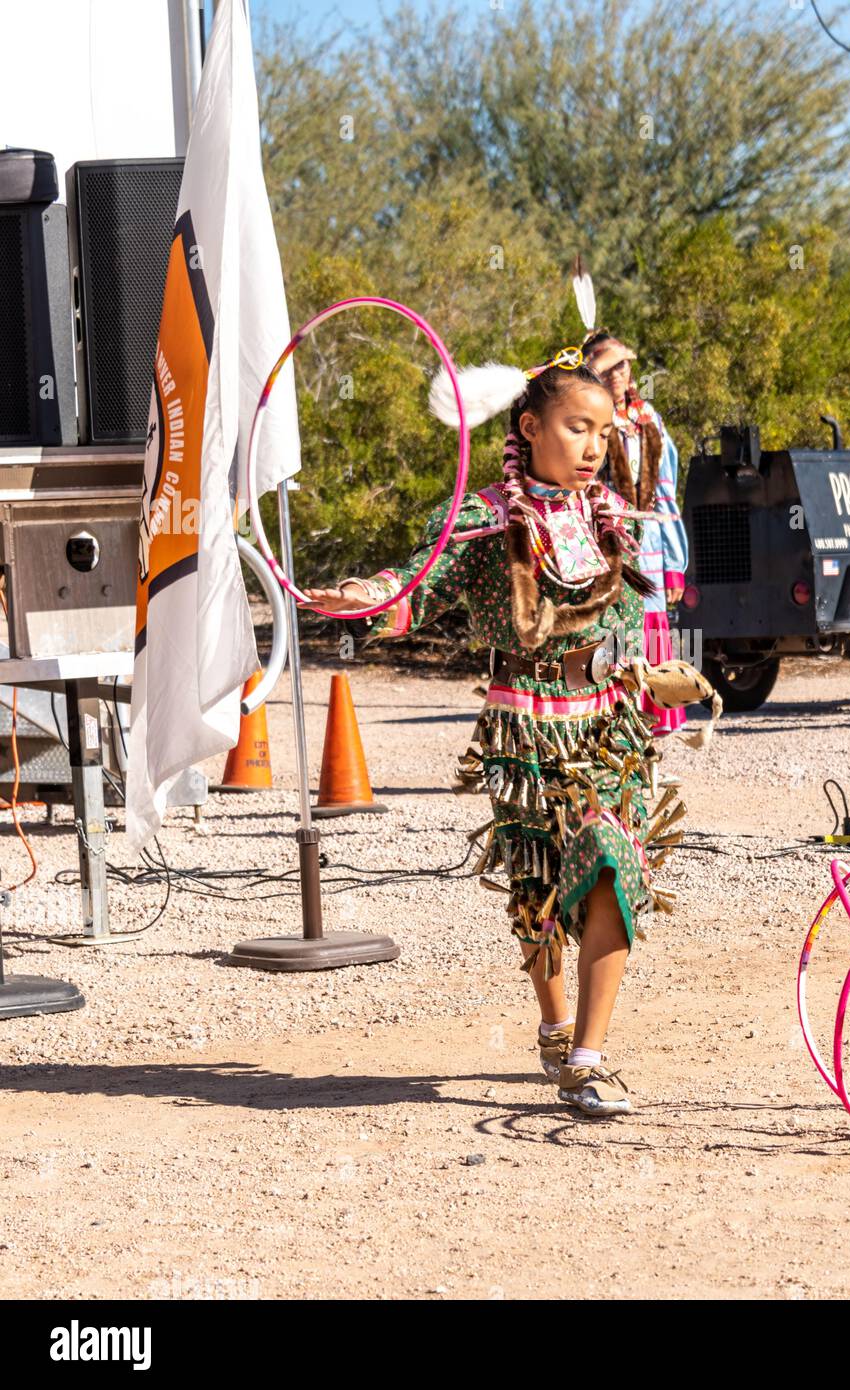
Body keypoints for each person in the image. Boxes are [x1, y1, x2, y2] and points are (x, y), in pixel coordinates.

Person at [299, 348, 685, 1117]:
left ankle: (587, 1058)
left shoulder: (605, 515)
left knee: (613, 868)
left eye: (602, 435)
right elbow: (418, 579)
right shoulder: (486, 519)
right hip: (528, 731)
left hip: (610, 726)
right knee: (540, 890)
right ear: (531, 426)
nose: (592, 447)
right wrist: (365, 595)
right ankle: (556, 1025)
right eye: (578, 429)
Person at [583, 331, 689, 740]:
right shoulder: (588, 419)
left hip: (648, 549)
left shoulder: (649, 422)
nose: (616, 375)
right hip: (600, 543)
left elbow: (665, 491)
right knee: (609, 629)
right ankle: (611, 726)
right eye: (606, 368)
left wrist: (676, 563)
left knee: (646, 628)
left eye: (622, 366)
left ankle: (647, 738)